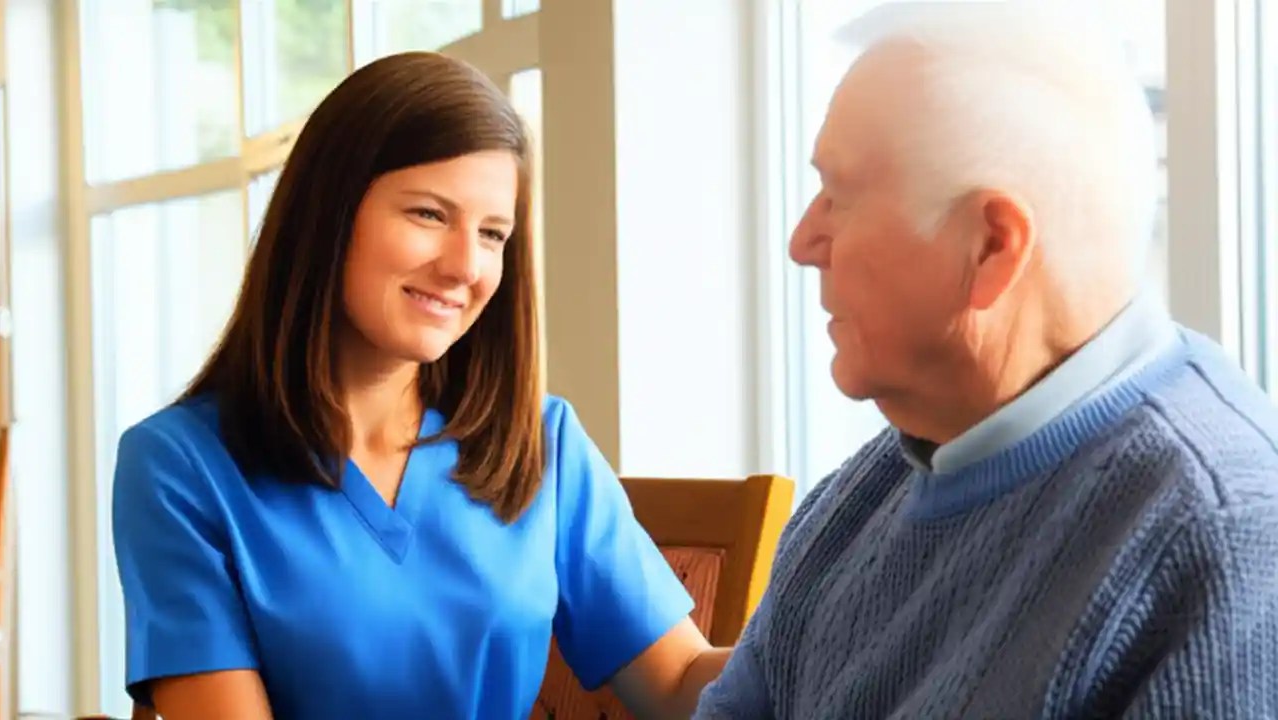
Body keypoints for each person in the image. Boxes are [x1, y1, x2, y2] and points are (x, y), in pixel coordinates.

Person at [695, 3, 1278, 718]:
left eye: (839, 197)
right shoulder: (862, 494)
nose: (802, 241)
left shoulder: (1225, 539)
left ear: (993, 247)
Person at [111, 52, 728, 720]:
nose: (466, 265)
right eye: (430, 215)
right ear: (329, 212)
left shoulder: (544, 445)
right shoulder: (177, 466)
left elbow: (678, 683)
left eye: (493, 234)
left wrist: (828, 622)